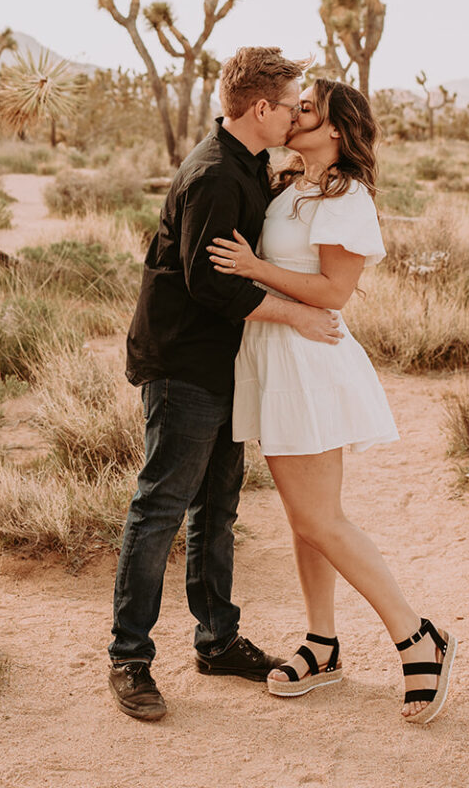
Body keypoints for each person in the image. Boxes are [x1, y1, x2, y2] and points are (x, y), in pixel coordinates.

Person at [208, 77, 457, 726]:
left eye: (309, 109)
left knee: (322, 520)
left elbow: (334, 292)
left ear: (338, 131)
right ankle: (322, 644)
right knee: (305, 518)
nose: (296, 114)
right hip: (276, 358)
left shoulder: (345, 197)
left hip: (307, 363)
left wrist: (254, 268)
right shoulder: (294, 184)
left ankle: (415, 636)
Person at [108, 47, 343, 723]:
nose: (299, 112)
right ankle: (130, 658)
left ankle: (217, 641)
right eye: (293, 103)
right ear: (261, 108)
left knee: (217, 508)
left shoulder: (248, 165)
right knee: (160, 509)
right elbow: (209, 284)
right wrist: (299, 313)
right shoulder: (214, 174)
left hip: (226, 365)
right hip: (186, 365)